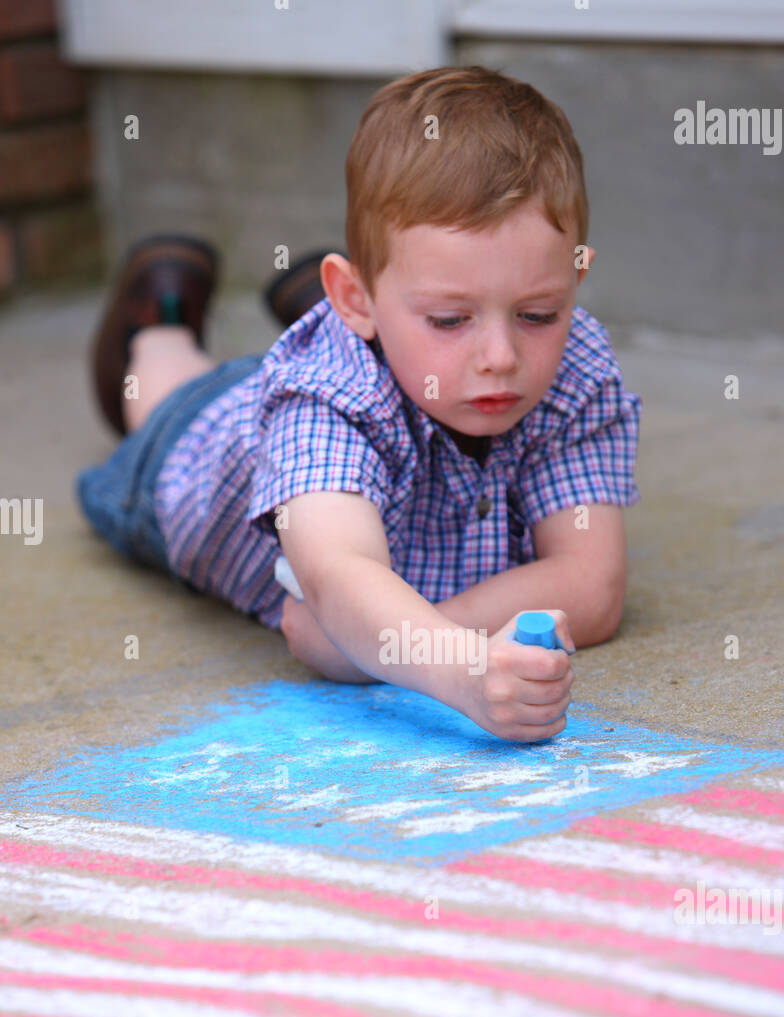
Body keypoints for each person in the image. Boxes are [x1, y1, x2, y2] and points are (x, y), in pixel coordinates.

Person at [78, 64, 641, 743]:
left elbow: (593, 584)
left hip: (379, 352)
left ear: (576, 275)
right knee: (173, 390)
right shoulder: (323, 400)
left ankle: (364, 307)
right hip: (197, 450)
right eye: (450, 319)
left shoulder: (573, 364)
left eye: (538, 313)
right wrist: (465, 669)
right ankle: (160, 318)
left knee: (412, 335)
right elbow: (341, 572)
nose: (502, 356)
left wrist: (375, 638)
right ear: (357, 301)